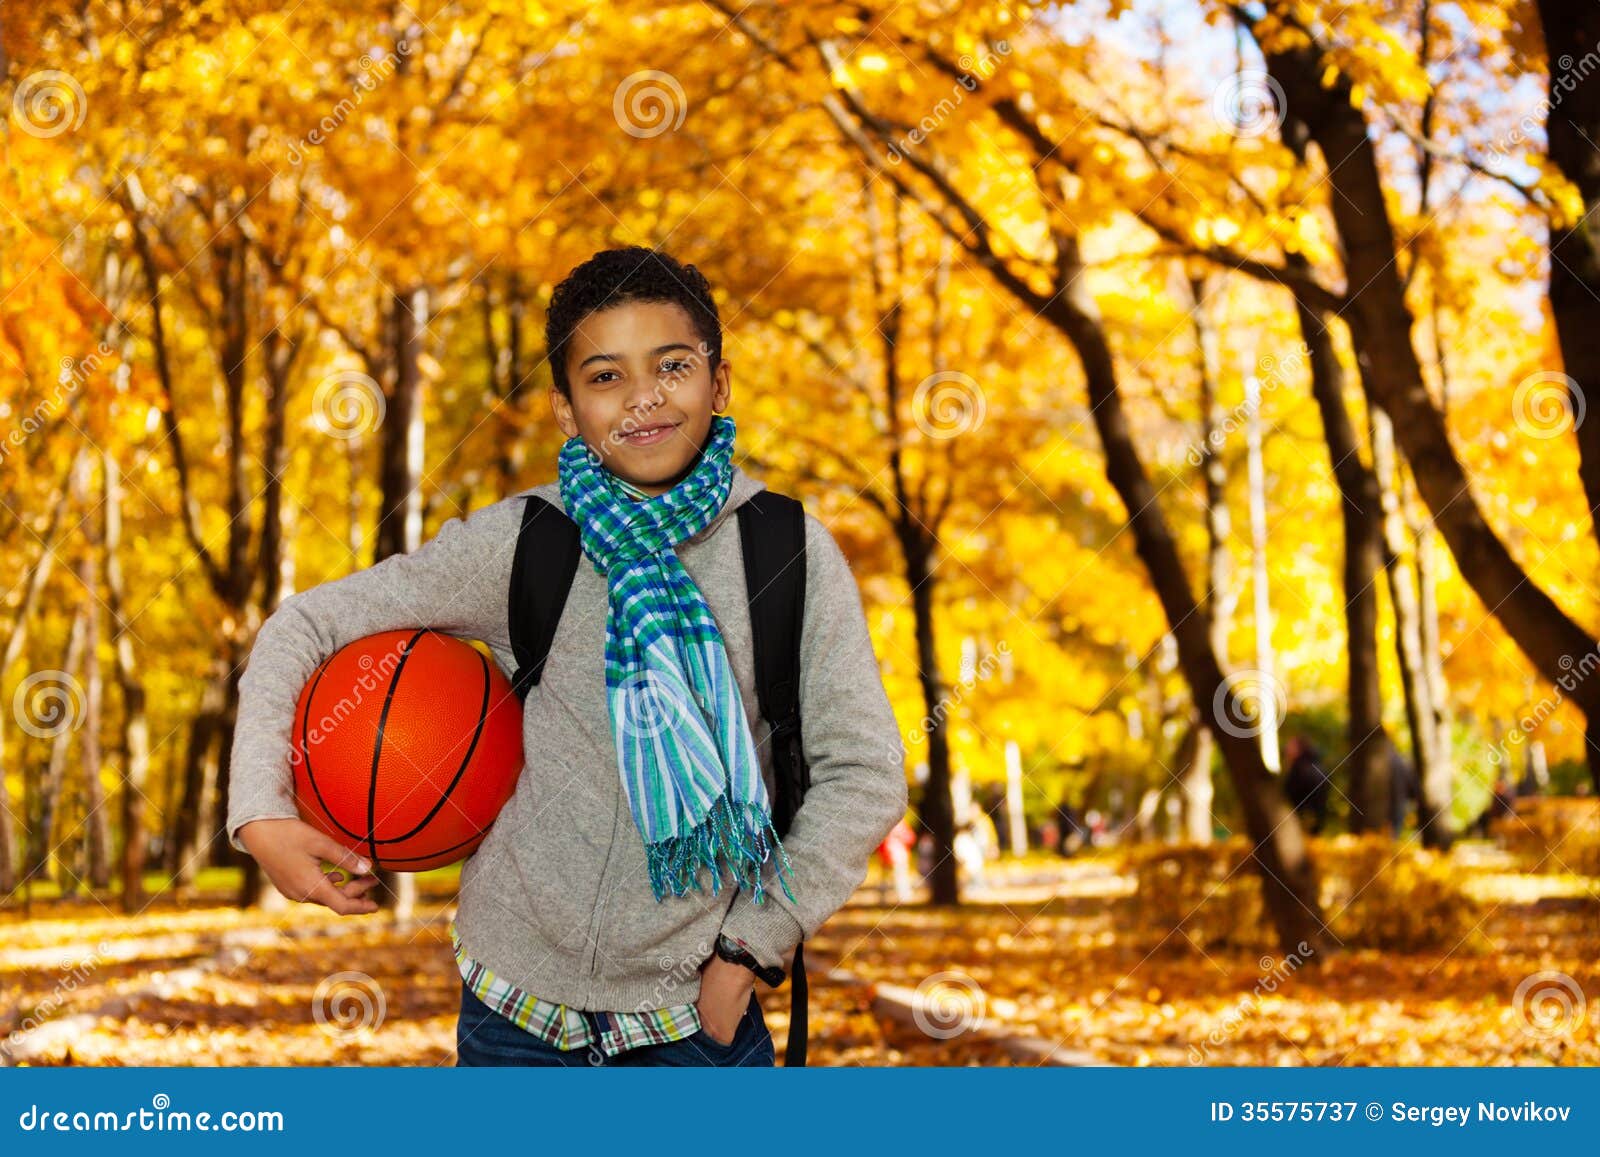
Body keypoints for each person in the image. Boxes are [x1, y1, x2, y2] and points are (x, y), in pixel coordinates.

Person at [226, 248, 909, 1067]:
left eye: (673, 366)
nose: (644, 396)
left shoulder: (785, 550)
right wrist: (261, 812)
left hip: (693, 1019)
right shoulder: (527, 542)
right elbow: (302, 624)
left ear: (719, 383)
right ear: (565, 408)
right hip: (515, 1011)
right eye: (606, 376)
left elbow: (865, 771)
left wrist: (749, 949)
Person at [1283, 735, 1332, 834]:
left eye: (1290, 747)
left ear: (1299, 749)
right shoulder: (1319, 767)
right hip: (1317, 819)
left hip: (1302, 819)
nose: (1286, 751)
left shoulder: (1298, 769)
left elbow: (1290, 796)